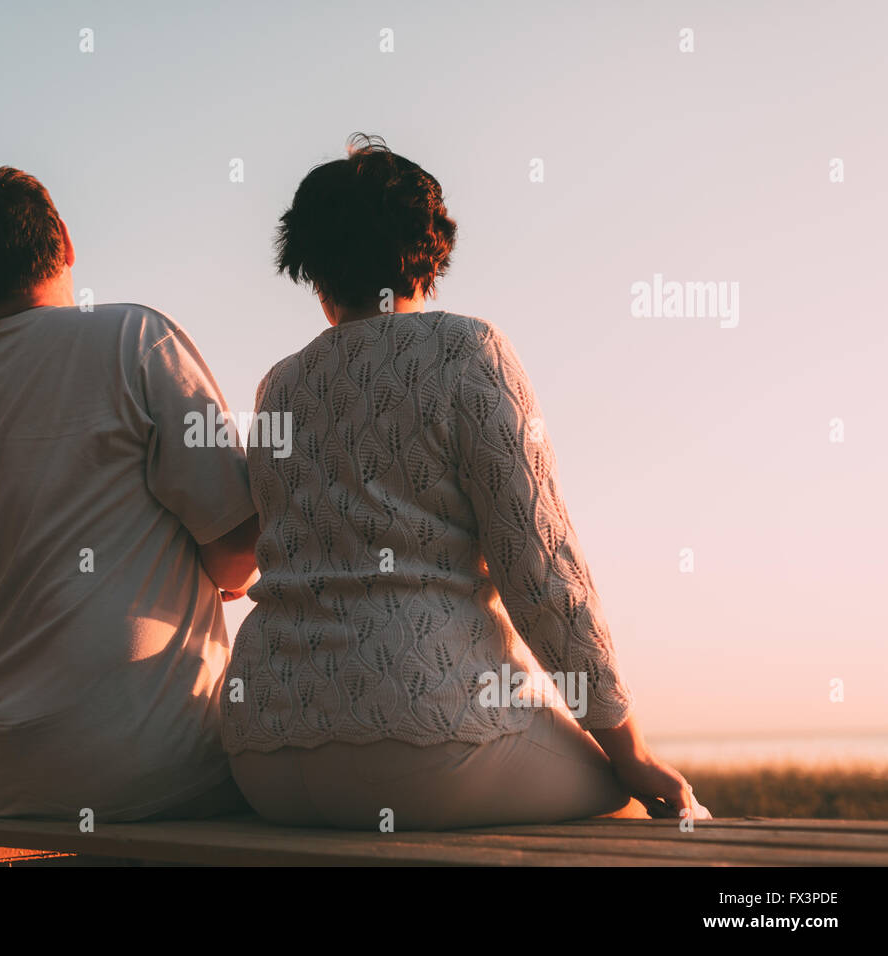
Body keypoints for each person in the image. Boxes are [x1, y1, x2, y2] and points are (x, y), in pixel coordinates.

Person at [222, 135, 711, 829]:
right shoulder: (466, 351)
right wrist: (628, 748)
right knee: (634, 810)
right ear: (430, 251)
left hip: (262, 755)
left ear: (310, 265)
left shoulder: (280, 385)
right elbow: (540, 567)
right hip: (423, 745)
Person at [0, 166, 258, 822]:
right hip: (167, 765)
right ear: (63, 239)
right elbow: (237, 545)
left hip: (10, 780)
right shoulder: (135, 339)